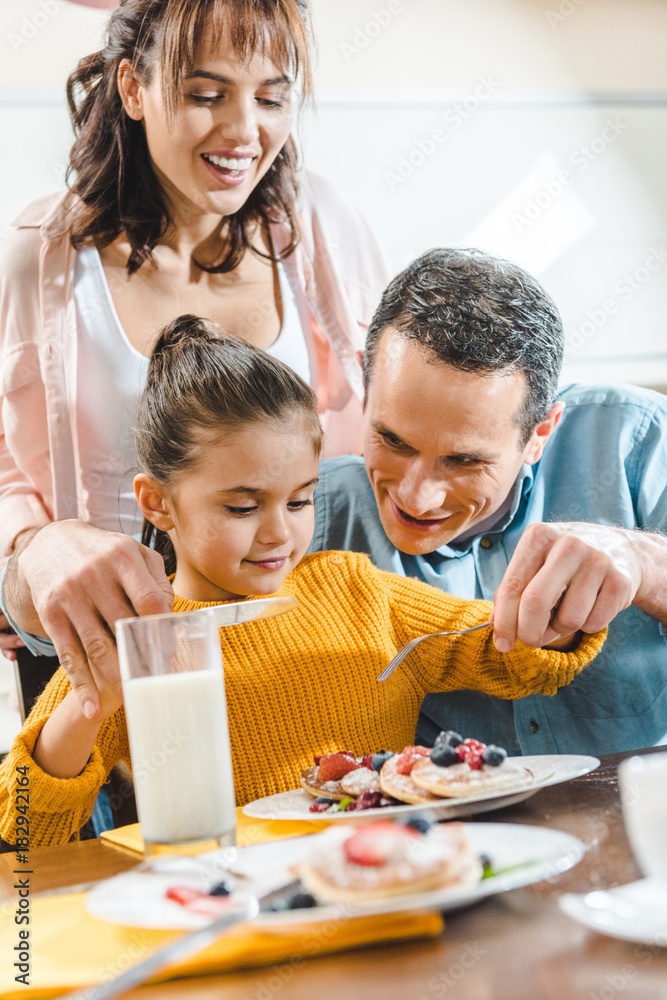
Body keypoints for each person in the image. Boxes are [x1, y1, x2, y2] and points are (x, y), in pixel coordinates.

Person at [0, 316, 605, 848]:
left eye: (299, 501)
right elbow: (23, 825)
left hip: (392, 875)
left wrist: (551, 615)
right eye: (242, 508)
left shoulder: (357, 590)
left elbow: (512, 657)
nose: (278, 536)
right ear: (157, 503)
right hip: (234, 908)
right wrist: (90, 705)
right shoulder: (136, 639)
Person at [0, 0, 388, 672]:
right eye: (207, 94)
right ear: (132, 88)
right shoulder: (41, 258)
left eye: (272, 97)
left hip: (298, 643)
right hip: (114, 656)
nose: (244, 131)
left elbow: (388, 416)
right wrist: (32, 546)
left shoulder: (319, 226)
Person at [307, 248, 667, 757]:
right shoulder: (309, 515)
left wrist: (646, 564)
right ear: (367, 384)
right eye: (393, 440)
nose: (415, 495)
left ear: (541, 432)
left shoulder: (642, 442)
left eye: (463, 462)